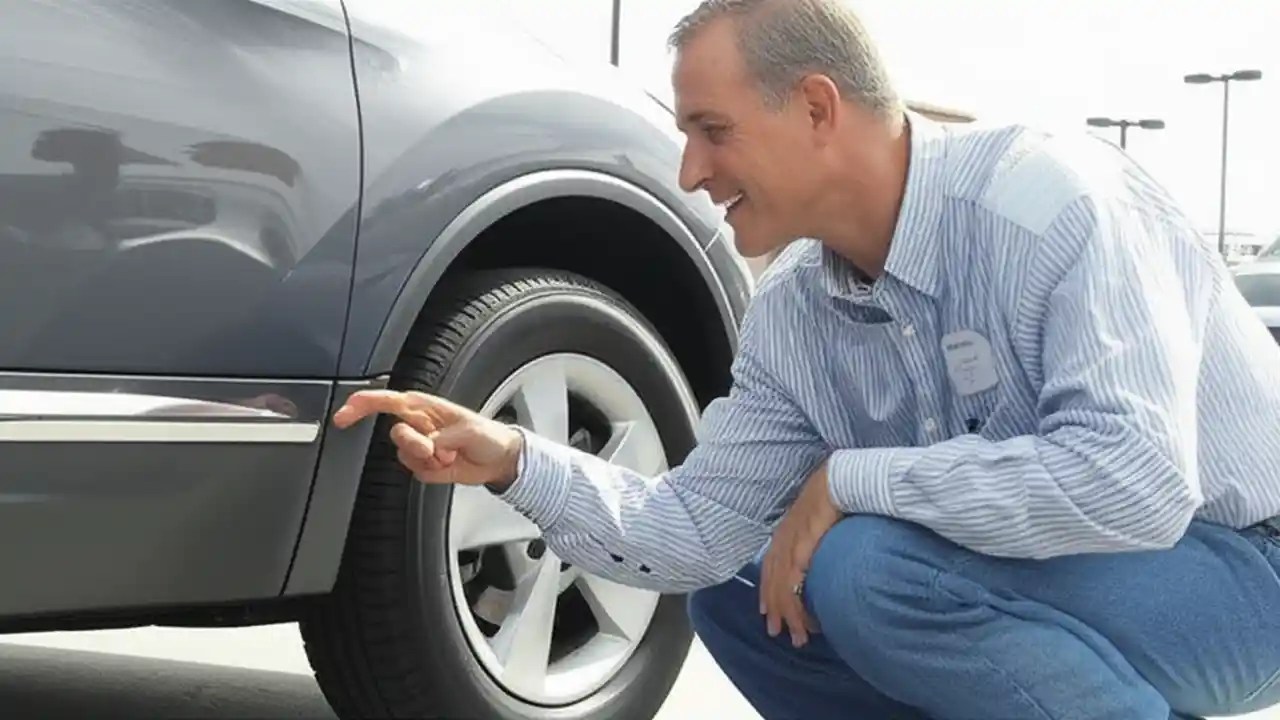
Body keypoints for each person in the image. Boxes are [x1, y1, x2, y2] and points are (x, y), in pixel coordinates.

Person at [330, 1, 1280, 718]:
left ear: (819, 108)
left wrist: (853, 480)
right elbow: (696, 529)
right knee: (741, 586)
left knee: (865, 566)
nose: (691, 172)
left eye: (713, 129)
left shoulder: (1050, 208)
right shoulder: (795, 309)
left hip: (1242, 568)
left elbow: (1139, 483)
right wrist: (513, 459)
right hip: (1066, 570)